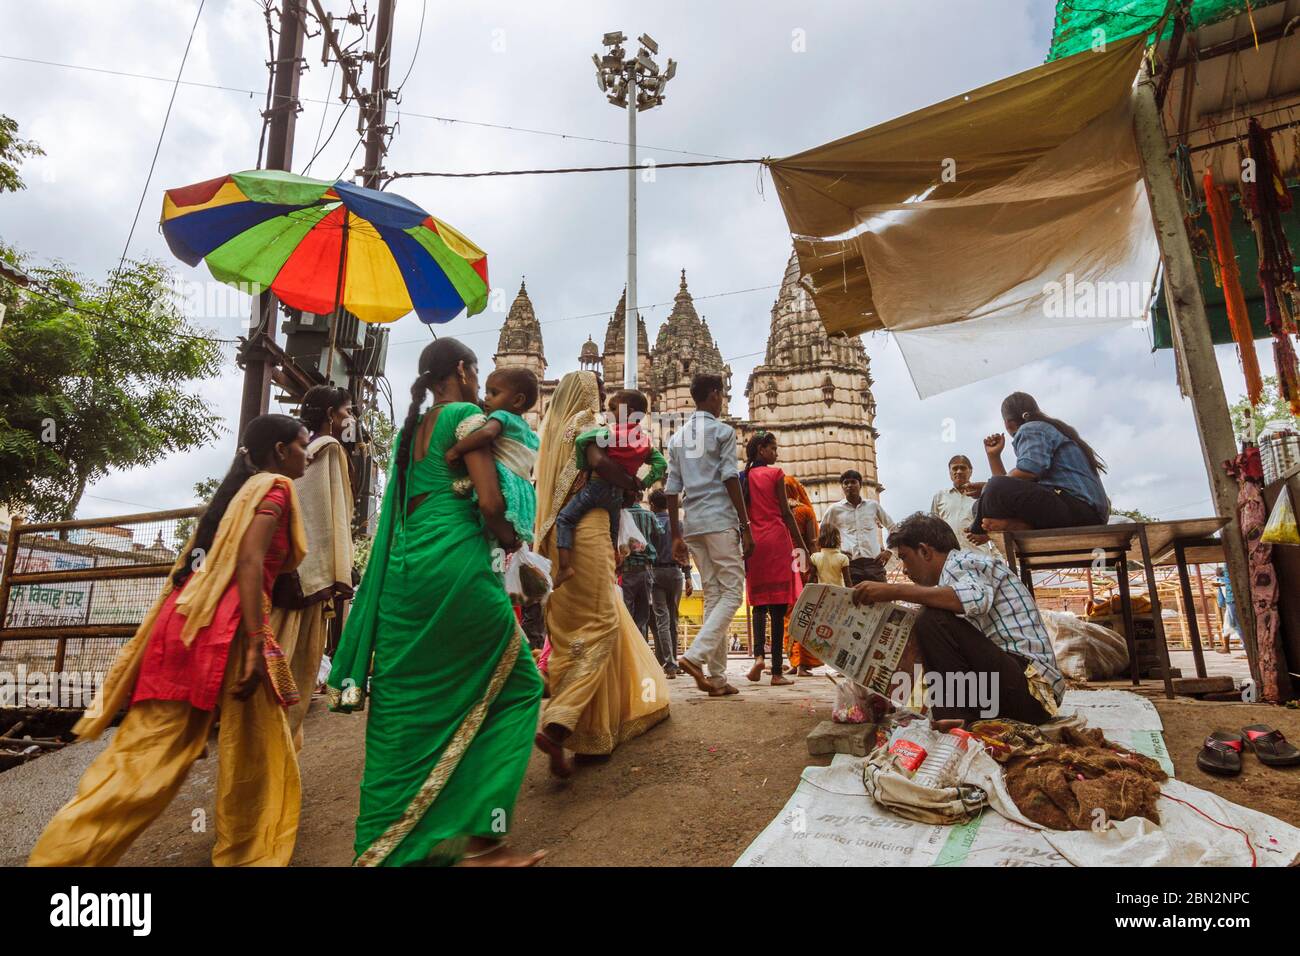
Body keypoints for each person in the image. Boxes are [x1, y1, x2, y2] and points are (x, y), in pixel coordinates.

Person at [30, 415, 311, 866]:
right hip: (225, 632)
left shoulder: (239, 493)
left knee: (150, 757)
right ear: (280, 451)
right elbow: (250, 559)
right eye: (302, 444)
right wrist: (257, 641)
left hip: (183, 627)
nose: (307, 453)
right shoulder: (274, 487)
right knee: (177, 762)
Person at [327, 338, 544, 867]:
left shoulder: (411, 436)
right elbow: (490, 501)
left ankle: (382, 849)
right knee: (519, 687)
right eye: (479, 375)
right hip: (456, 566)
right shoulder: (466, 416)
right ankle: (484, 840)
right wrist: (514, 543)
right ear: (466, 371)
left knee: (404, 708)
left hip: (404, 576)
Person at [533, 371, 670, 776]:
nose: (604, 399)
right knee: (603, 623)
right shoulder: (586, 427)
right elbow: (598, 463)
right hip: (588, 527)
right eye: (599, 392)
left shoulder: (553, 429)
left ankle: (595, 731)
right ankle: (561, 721)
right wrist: (632, 483)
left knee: (578, 625)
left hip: (561, 535)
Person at [851, 512, 1064, 725]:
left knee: (931, 618)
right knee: (928, 622)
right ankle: (962, 719)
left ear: (924, 551)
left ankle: (955, 722)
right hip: (1013, 691)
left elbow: (974, 598)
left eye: (905, 558)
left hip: (1032, 691)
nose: (905, 570)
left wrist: (895, 591)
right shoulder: (950, 580)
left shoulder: (961, 563)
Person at [270, 384, 356, 751]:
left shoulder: (296, 453)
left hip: (285, 570)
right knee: (295, 668)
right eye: (347, 411)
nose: (350, 418)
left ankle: (276, 745)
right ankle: (278, 747)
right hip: (309, 575)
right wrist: (336, 572)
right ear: (331, 415)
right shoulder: (329, 449)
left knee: (277, 659)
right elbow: (326, 516)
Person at [665, 373, 753, 697]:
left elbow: (672, 489)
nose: (722, 401)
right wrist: (745, 526)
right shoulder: (722, 432)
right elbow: (731, 477)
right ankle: (694, 656)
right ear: (714, 394)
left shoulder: (678, 439)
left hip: (693, 525)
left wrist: (676, 535)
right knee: (733, 594)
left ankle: (716, 678)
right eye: (722, 395)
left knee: (715, 595)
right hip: (720, 521)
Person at [553, 388, 666, 587]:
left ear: (627, 411)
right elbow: (661, 465)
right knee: (612, 535)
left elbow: (581, 441)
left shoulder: (610, 431)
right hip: (617, 496)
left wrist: (583, 469)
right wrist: (641, 483)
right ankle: (614, 568)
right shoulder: (645, 441)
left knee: (565, 518)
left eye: (613, 408)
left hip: (595, 487)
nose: (607, 413)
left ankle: (564, 567)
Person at [969, 392, 1110, 539]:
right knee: (981, 502)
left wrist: (988, 487)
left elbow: (1028, 471)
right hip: (1084, 515)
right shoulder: (1048, 429)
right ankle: (1022, 526)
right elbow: (1015, 485)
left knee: (993, 489)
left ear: (1007, 423)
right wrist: (994, 456)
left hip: (1080, 511)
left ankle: (982, 531)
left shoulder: (1032, 428)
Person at [443, 365, 541, 545]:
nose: (486, 397)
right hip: (522, 489)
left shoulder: (502, 416)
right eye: (486, 391)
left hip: (502, 482)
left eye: (494, 393)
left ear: (518, 401)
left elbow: (487, 434)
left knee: (483, 530)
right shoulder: (529, 432)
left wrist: (457, 450)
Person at [741, 431, 807, 686]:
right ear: (761, 450)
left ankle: (759, 657)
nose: (776, 454)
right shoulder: (776, 474)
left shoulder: (743, 476)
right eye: (773, 448)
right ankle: (777, 672)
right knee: (779, 609)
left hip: (754, 543)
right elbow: (787, 514)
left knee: (758, 604)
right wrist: (802, 548)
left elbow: (743, 513)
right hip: (778, 541)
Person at [647, 488, 691, 678]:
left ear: (653, 505)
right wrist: (688, 576)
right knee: (673, 619)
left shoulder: (650, 522)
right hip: (675, 573)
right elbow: (684, 550)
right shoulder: (678, 524)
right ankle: (674, 660)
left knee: (661, 619)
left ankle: (670, 664)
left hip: (656, 572)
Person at [822, 469, 893, 583]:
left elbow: (893, 528)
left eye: (853, 482)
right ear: (842, 487)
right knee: (851, 598)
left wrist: (889, 551)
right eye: (846, 483)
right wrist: (836, 553)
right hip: (849, 565)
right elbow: (822, 533)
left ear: (860, 485)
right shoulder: (834, 509)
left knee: (882, 598)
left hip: (874, 563)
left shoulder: (873, 506)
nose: (849, 485)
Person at [784, 475, 821, 675]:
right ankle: (804, 664)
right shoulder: (804, 511)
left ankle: (794, 660)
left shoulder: (777, 513)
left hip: (783, 566)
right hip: (803, 563)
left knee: (788, 614)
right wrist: (815, 566)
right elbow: (813, 541)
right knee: (807, 611)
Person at [929, 454, 997, 555]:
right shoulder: (940, 497)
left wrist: (988, 537)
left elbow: (995, 526)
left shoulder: (982, 496)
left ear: (970, 471)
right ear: (950, 472)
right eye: (955, 468)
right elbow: (933, 528)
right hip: (950, 557)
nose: (959, 471)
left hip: (979, 556)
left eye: (963, 468)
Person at [619, 488, 660, 639]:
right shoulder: (649, 515)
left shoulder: (621, 515)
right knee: (643, 615)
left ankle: (628, 646)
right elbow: (659, 533)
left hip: (626, 570)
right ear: (640, 497)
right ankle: (640, 649)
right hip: (645, 570)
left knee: (626, 612)